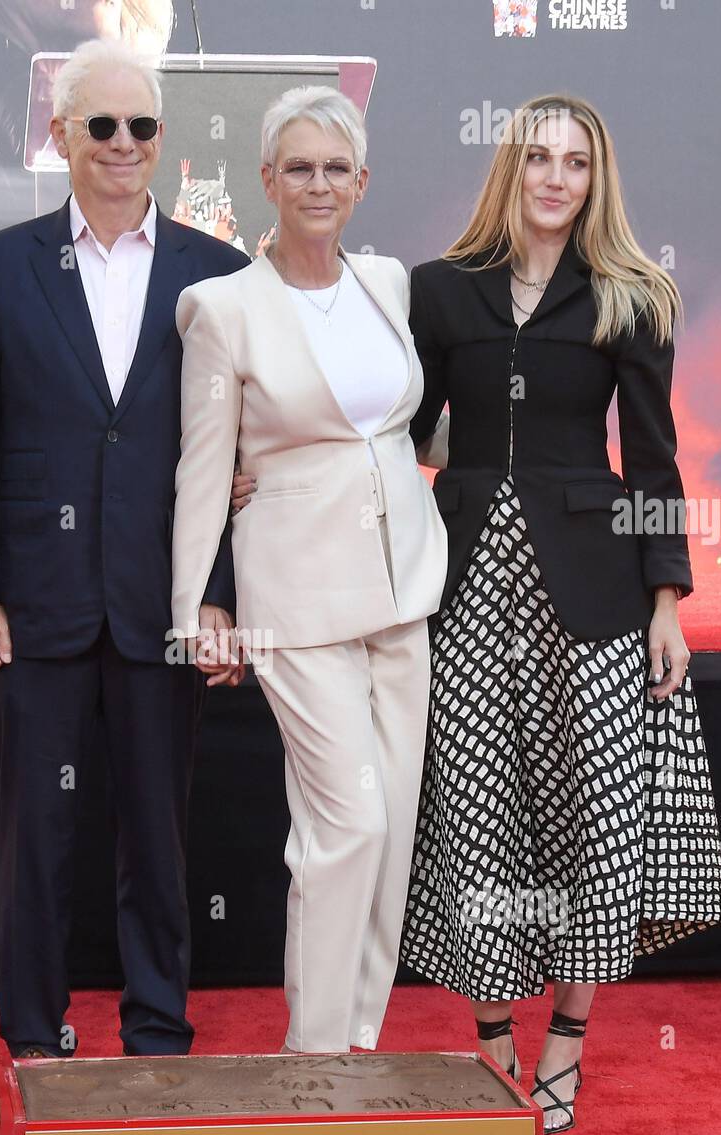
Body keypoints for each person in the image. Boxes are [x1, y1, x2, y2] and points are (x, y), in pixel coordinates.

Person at [397, 95, 721, 1132]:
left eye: (573, 163)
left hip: (590, 589)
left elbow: (654, 460)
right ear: (509, 170)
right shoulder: (437, 291)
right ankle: (491, 1036)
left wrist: (666, 600)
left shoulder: (629, 297)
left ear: (595, 179)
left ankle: (565, 1043)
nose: (552, 177)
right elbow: (395, 432)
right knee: (473, 799)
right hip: (460, 586)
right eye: (534, 158)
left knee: (596, 807)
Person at [0, 39, 246, 1062]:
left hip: (161, 604)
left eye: (140, 127)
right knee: (31, 841)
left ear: (160, 141)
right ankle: (33, 1040)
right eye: (101, 126)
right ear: (60, 137)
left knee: (157, 844)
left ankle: (157, 1030)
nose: (123, 144)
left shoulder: (216, 274)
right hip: (35, 608)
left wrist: (215, 593)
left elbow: (232, 462)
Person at [172, 86, 449, 1055]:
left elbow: (413, 426)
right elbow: (201, 471)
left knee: (390, 834)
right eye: (298, 167)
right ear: (266, 180)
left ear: (361, 182)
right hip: (293, 603)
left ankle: (355, 1044)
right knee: (348, 827)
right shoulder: (219, 308)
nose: (317, 183)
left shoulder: (388, 283)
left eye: (335, 168)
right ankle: (315, 1055)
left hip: (403, 592)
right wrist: (194, 609)